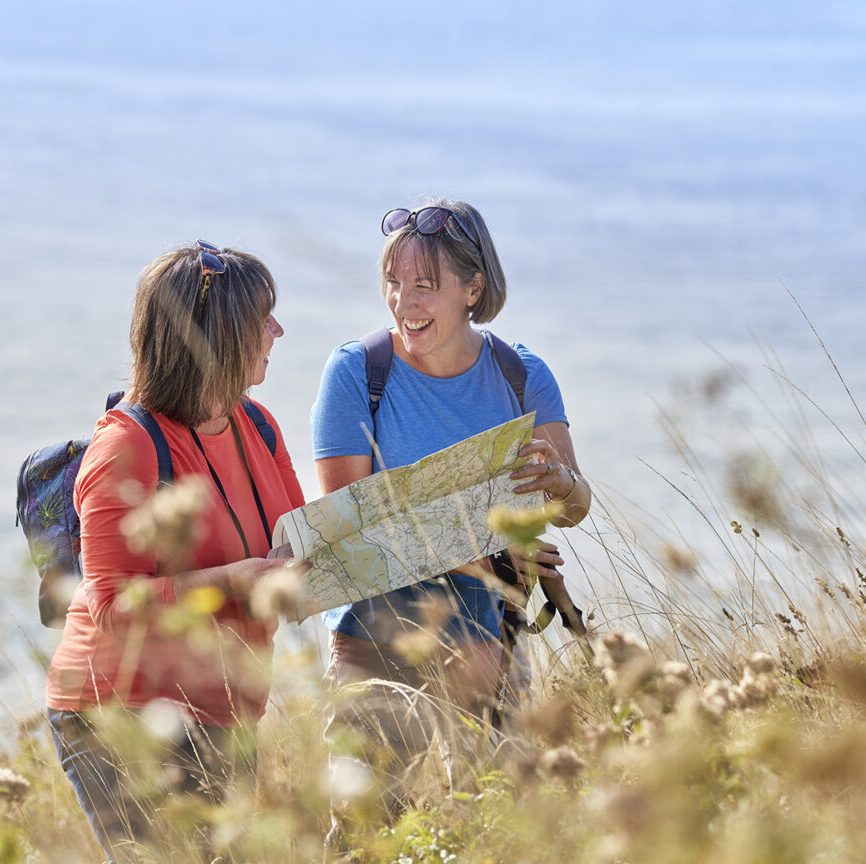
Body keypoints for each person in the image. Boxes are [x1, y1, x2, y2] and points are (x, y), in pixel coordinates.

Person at [310, 199, 592, 805]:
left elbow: (573, 507)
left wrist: (559, 484)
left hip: (489, 637)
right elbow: (345, 528)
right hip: (376, 638)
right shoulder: (357, 373)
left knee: (498, 813)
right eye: (393, 283)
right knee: (365, 823)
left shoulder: (522, 374)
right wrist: (490, 546)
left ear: (473, 288)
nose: (403, 303)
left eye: (424, 286)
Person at [45, 241, 305, 862]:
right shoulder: (127, 448)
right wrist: (234, 582)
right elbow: (109, 603)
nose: (278, 330)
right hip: (120, 713)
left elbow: (300, 541)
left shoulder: (259, 426)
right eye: (261, 319)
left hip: (226, 713)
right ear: (216, 336)